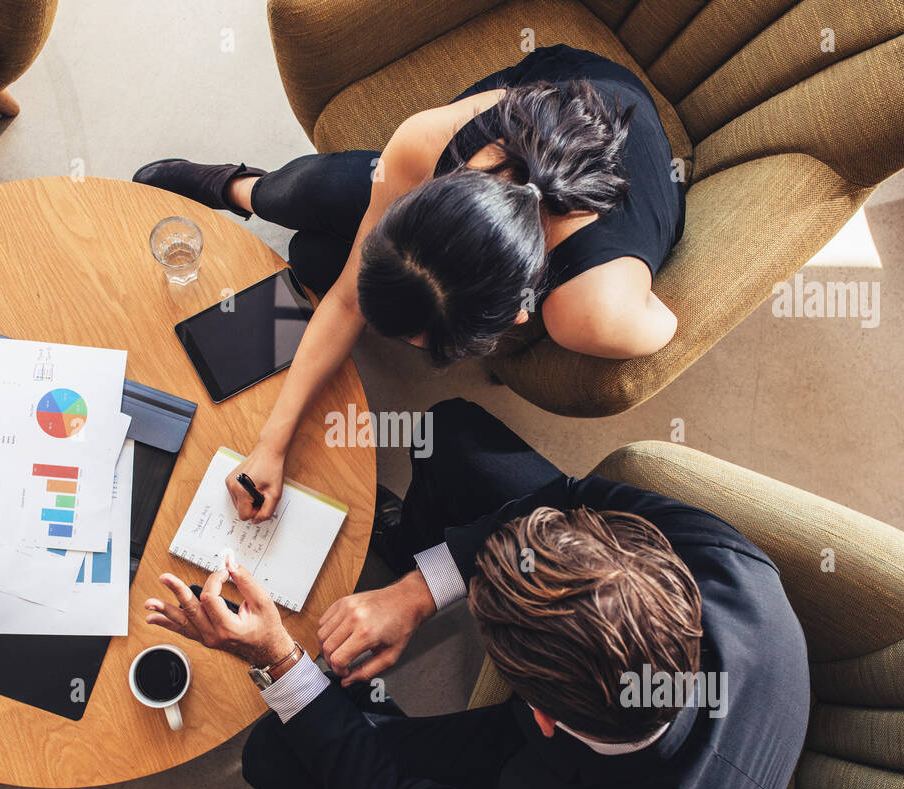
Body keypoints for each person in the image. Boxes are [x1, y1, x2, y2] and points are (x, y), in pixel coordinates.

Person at [143, 399, 808, 789]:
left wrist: (278, 659)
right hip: (646, 727)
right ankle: (395, 570)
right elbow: (571, 496)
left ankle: (345, 694)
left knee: (276, 759)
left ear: (537, 716)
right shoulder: (733, 569)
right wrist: (418, 591)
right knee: (449, 430)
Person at [133, 45, 686, 522]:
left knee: (313, 255)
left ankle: (257, 193)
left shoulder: (593, 311)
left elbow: (668, 323)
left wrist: (608, 295)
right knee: (312, 196)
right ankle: (242, 187)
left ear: (519, 314)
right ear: (423, 200)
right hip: (558, 89)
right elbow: (351, 295)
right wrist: (270, 446)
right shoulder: (424, 144)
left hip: (624, 165)